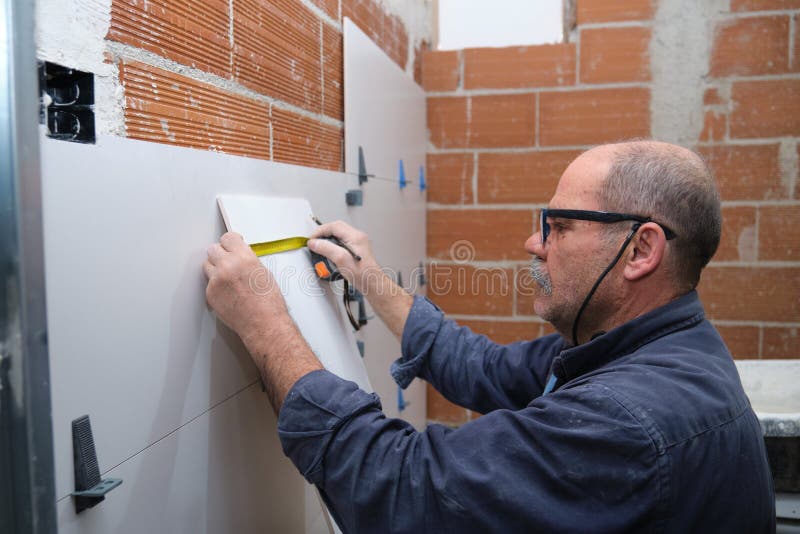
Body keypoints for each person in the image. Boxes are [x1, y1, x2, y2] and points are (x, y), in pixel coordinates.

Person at [204, 141, 775, 533]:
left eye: (562, 225)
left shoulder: (625, 418)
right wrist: (373, 283)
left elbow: (401, 490)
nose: (535, 241)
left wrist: (268, 324)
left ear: (641, 251)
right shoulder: (639, 346)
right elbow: (485, 369)